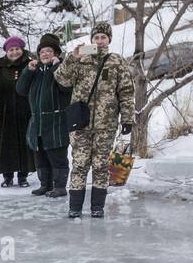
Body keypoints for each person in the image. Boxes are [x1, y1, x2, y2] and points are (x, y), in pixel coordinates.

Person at [55, 20, 135, 219]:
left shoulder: (116, 61)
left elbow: (126, 92)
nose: (99, 41)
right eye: (96, 37)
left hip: (106, 125)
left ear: (109, 39)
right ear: (91, 39)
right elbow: (61, 80)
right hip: (80, 124)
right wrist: (71, 58)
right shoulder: (81, 60)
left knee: (100, 166)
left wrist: (127, 119)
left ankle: (97, 207)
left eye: (103, 37)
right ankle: (75, 207)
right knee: (80, 164)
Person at [16, 33, 72, 199]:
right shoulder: (36, 71)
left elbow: (66, 88)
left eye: (49, 51)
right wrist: (28, 71)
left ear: (56, 53)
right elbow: (20, 90)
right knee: (40, 156)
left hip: (56, 123)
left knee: (57, 157)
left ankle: (60, 186)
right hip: (37, 122)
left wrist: (56, 68)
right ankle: (44, 185)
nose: (45, 54)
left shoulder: (62, 69)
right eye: (42, 52)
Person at [0, 36, 35, 188]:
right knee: (6, 144)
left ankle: (23, 176)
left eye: (17, 49)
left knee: (24, 143)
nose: (14, 52)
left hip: (25, 111)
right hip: (4, 112)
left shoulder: (30, 64)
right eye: (11, 50)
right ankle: (7, 177)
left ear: (22, 49)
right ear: (6, 51)